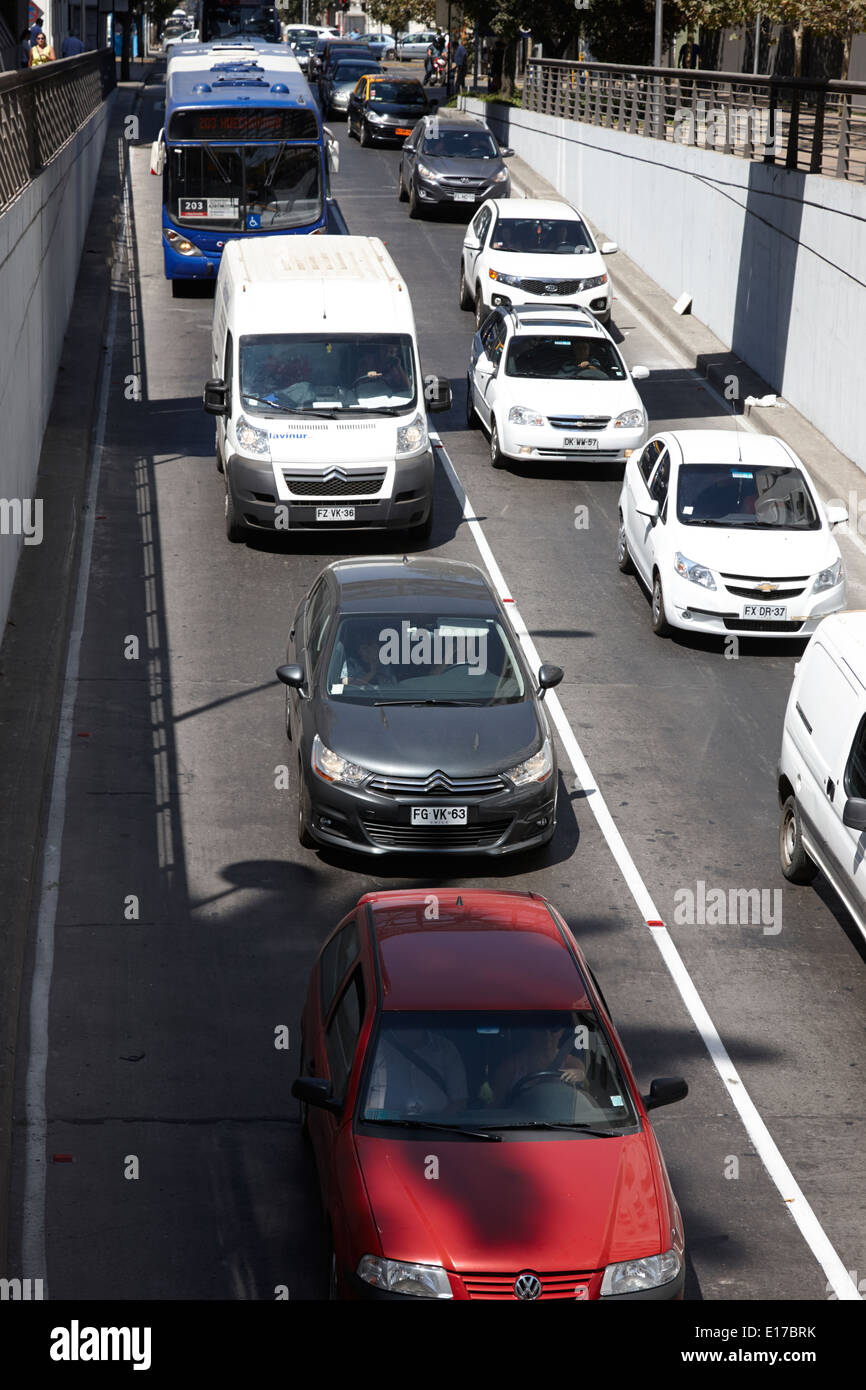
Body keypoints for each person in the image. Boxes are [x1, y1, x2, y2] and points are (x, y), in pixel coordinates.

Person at [365, 1026, 468, 1117]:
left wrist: (438, 1124)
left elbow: (459, 1100)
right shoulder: (376, 1047)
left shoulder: (445, 1049)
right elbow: (362, 1099)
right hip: (382, 1130)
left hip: (439, 1130)